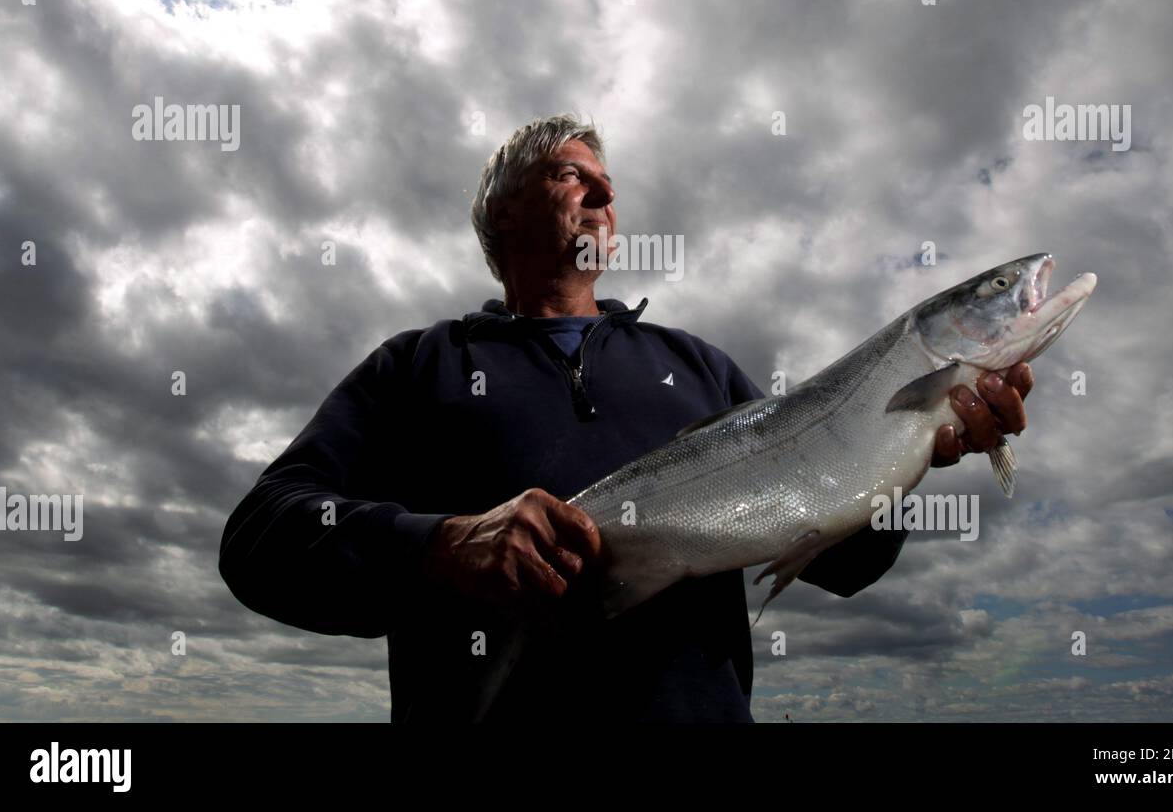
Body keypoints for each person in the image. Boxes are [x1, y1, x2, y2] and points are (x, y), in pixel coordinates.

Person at [218, 113, 1033, 723]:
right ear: (502, 213)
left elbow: (851, 564)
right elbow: (260, 538)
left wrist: (911, 445)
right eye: (570, 176)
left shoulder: (703, 366)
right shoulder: (417, 366)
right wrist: (440, 546)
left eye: (607, 183)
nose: (604, 194)